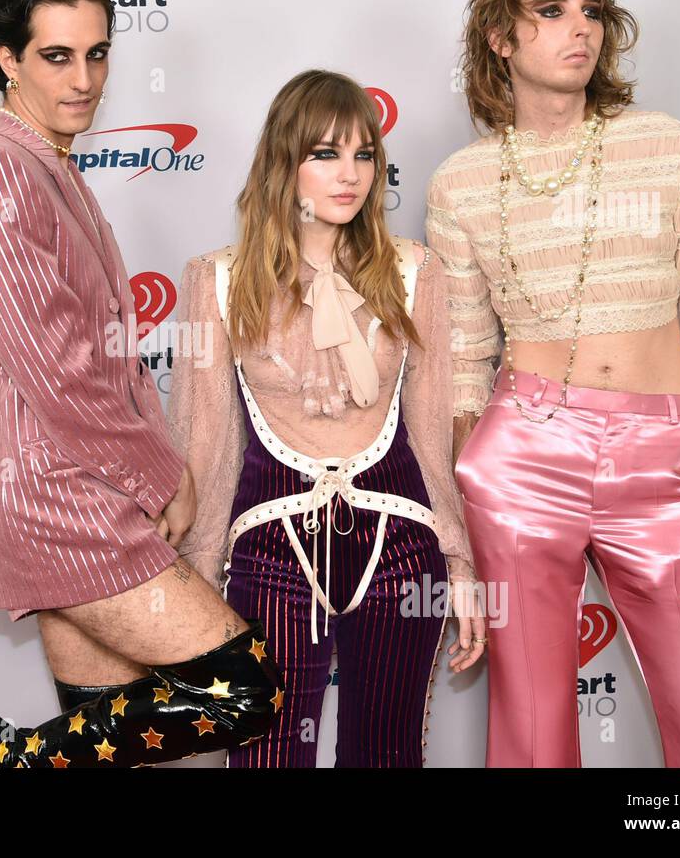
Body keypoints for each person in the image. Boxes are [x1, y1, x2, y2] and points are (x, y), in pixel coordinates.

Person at [427, 0, 680, 767]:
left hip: (663, 448)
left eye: (590, 11)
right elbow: (466, 356)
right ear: (501, 39)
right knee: (534, 719)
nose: (578, 29)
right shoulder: (462, 182)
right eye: (550, 11)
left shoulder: (666, 146)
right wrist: (465, 480)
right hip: (523, 453)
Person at [0, 0, 282, 768]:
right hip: (60, 499)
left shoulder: (57, 172)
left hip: (89, 488)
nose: (84, 77)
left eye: (97, 53)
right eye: (57, 55)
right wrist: (164, 473)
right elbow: (62, 370)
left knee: (121, 754)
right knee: (244, 688)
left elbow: (108, 359)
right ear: (7, 60)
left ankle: (1, 754)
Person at [166, 70, 484, 768]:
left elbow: (432, 436)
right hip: (271, 549)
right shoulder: (216, 279)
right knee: (268, 756)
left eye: (363, 154)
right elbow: (208, 447)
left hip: (401, 546)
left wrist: (459, 563)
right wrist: (193, 585)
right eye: (325, 153)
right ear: (285, 162)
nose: (350, 174)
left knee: (388, 755)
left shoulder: (413, 271)